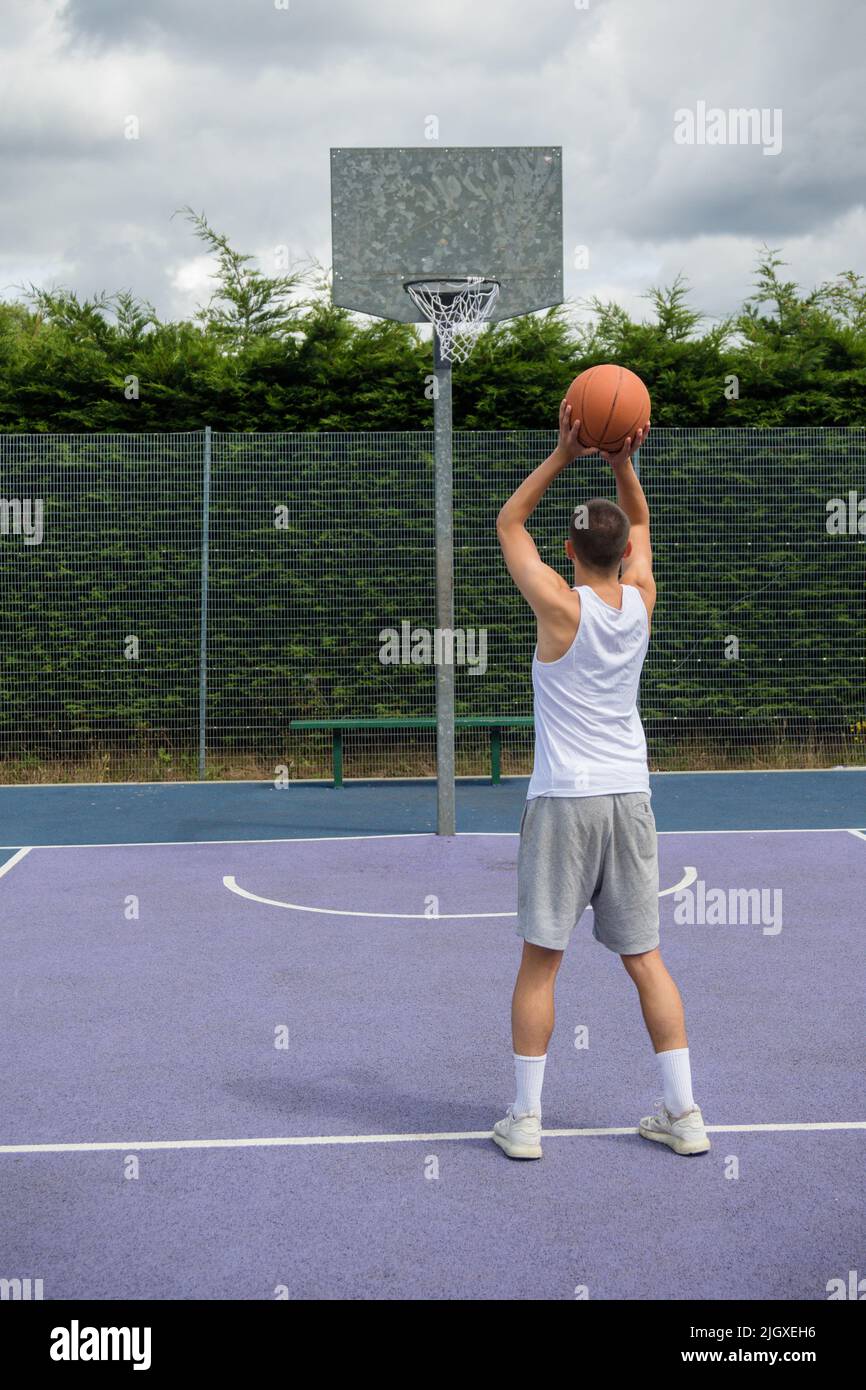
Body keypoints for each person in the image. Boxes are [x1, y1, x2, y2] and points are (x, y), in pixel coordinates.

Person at [492, 398, 710, 1159]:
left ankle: (524, 1122)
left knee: (539, 963)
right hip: (630, 798)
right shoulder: (642, 605)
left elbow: (507, 525)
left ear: (569, 551)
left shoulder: (559, 608)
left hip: (564, 801)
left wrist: (564, 451)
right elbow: (641, 525)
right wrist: (619, 458)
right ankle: (684, 1117)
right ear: (623, 557)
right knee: (645, 959)